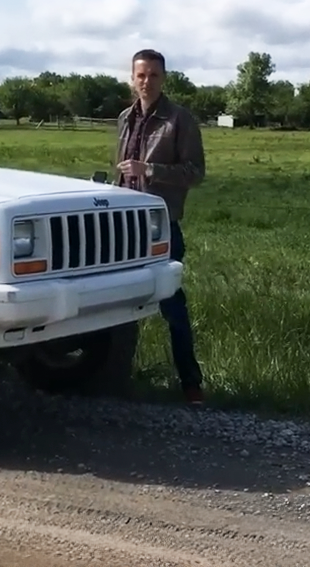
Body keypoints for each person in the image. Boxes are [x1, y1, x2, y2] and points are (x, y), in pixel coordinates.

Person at [114, 48, 206, 405]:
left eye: (153, 75)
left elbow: (195, 173)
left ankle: (190, 383)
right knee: (114, 301)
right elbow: (121, 170)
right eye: (140, 75)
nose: (146, 82)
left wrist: (149, 170)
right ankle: (116, 378)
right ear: (132, 78)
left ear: (164, 78)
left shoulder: (179, 120)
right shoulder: (125, 117)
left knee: (172, 304)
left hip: (161, 226)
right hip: (123, 225)